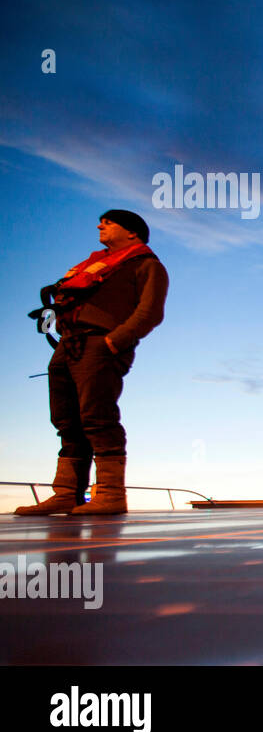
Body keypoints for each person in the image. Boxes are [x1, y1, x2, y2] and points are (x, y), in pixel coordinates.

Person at [17, 210, 169, 516]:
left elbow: (150, 311)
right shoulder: (98, 264)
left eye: (109, 222)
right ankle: (66, 494)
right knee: (66, 420)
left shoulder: (147, 265)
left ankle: (111, 495)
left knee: (97, 417)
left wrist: (114, 341)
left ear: (132, 233)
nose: (100, 225)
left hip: (100, 344)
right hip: (68, 345)